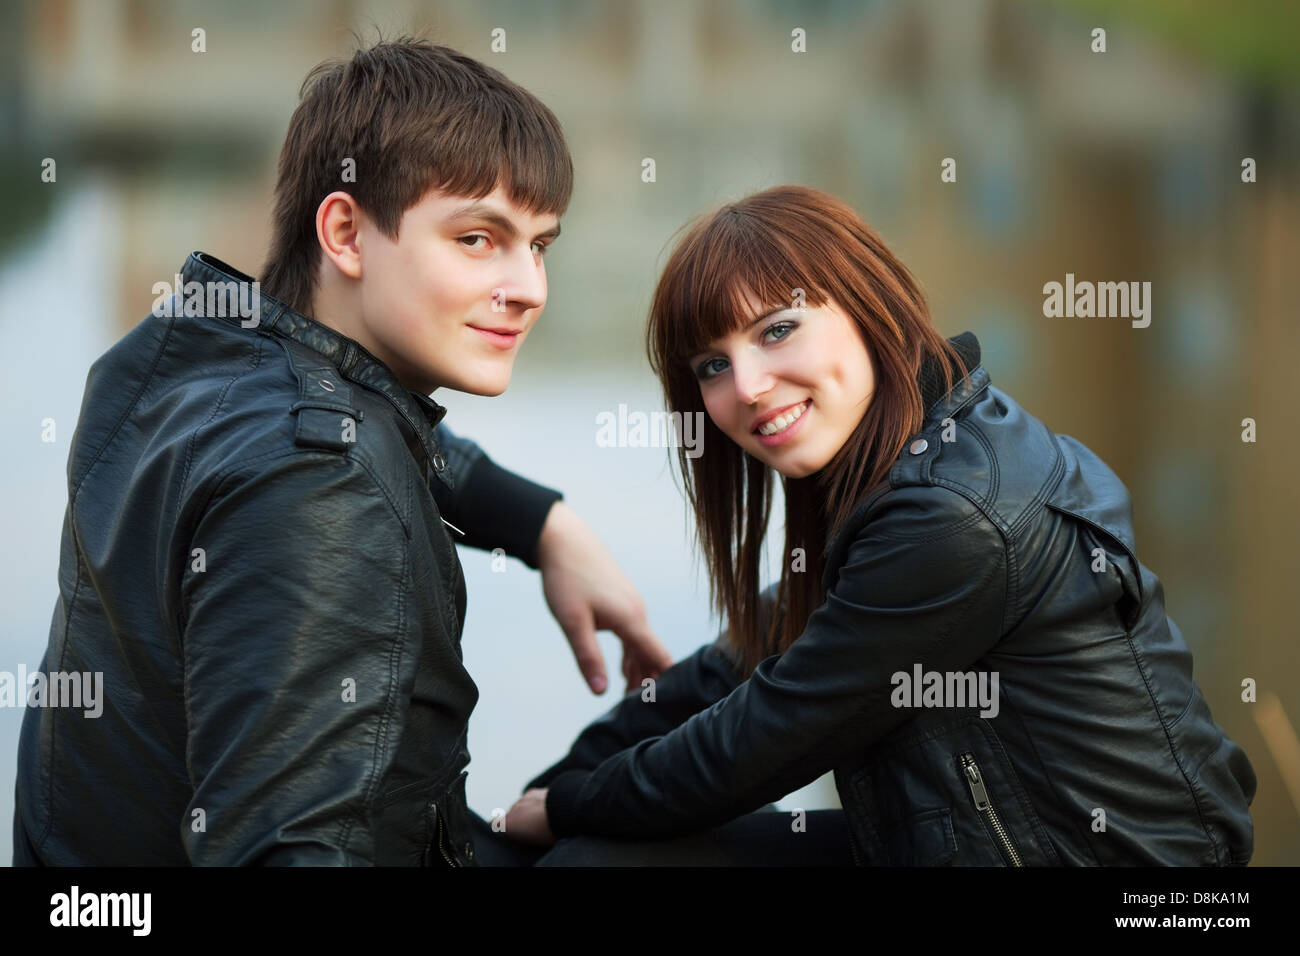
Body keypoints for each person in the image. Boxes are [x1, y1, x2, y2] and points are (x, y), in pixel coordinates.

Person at [11, 37, 672, 867]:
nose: (529, 288)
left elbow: (359, 416)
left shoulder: (181, 364)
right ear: (347, 233)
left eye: (539, 245)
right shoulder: (323, 486)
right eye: (478, 239)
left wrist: (544, 526)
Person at [502, 184, 1257, 866]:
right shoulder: (910, 459)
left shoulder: (951, 517)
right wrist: (551, 794)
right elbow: (747, 661)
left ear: (868, 307)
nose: (749, 387)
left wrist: (564, 810)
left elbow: (768, 736)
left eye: (776, 330)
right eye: (711, 366)